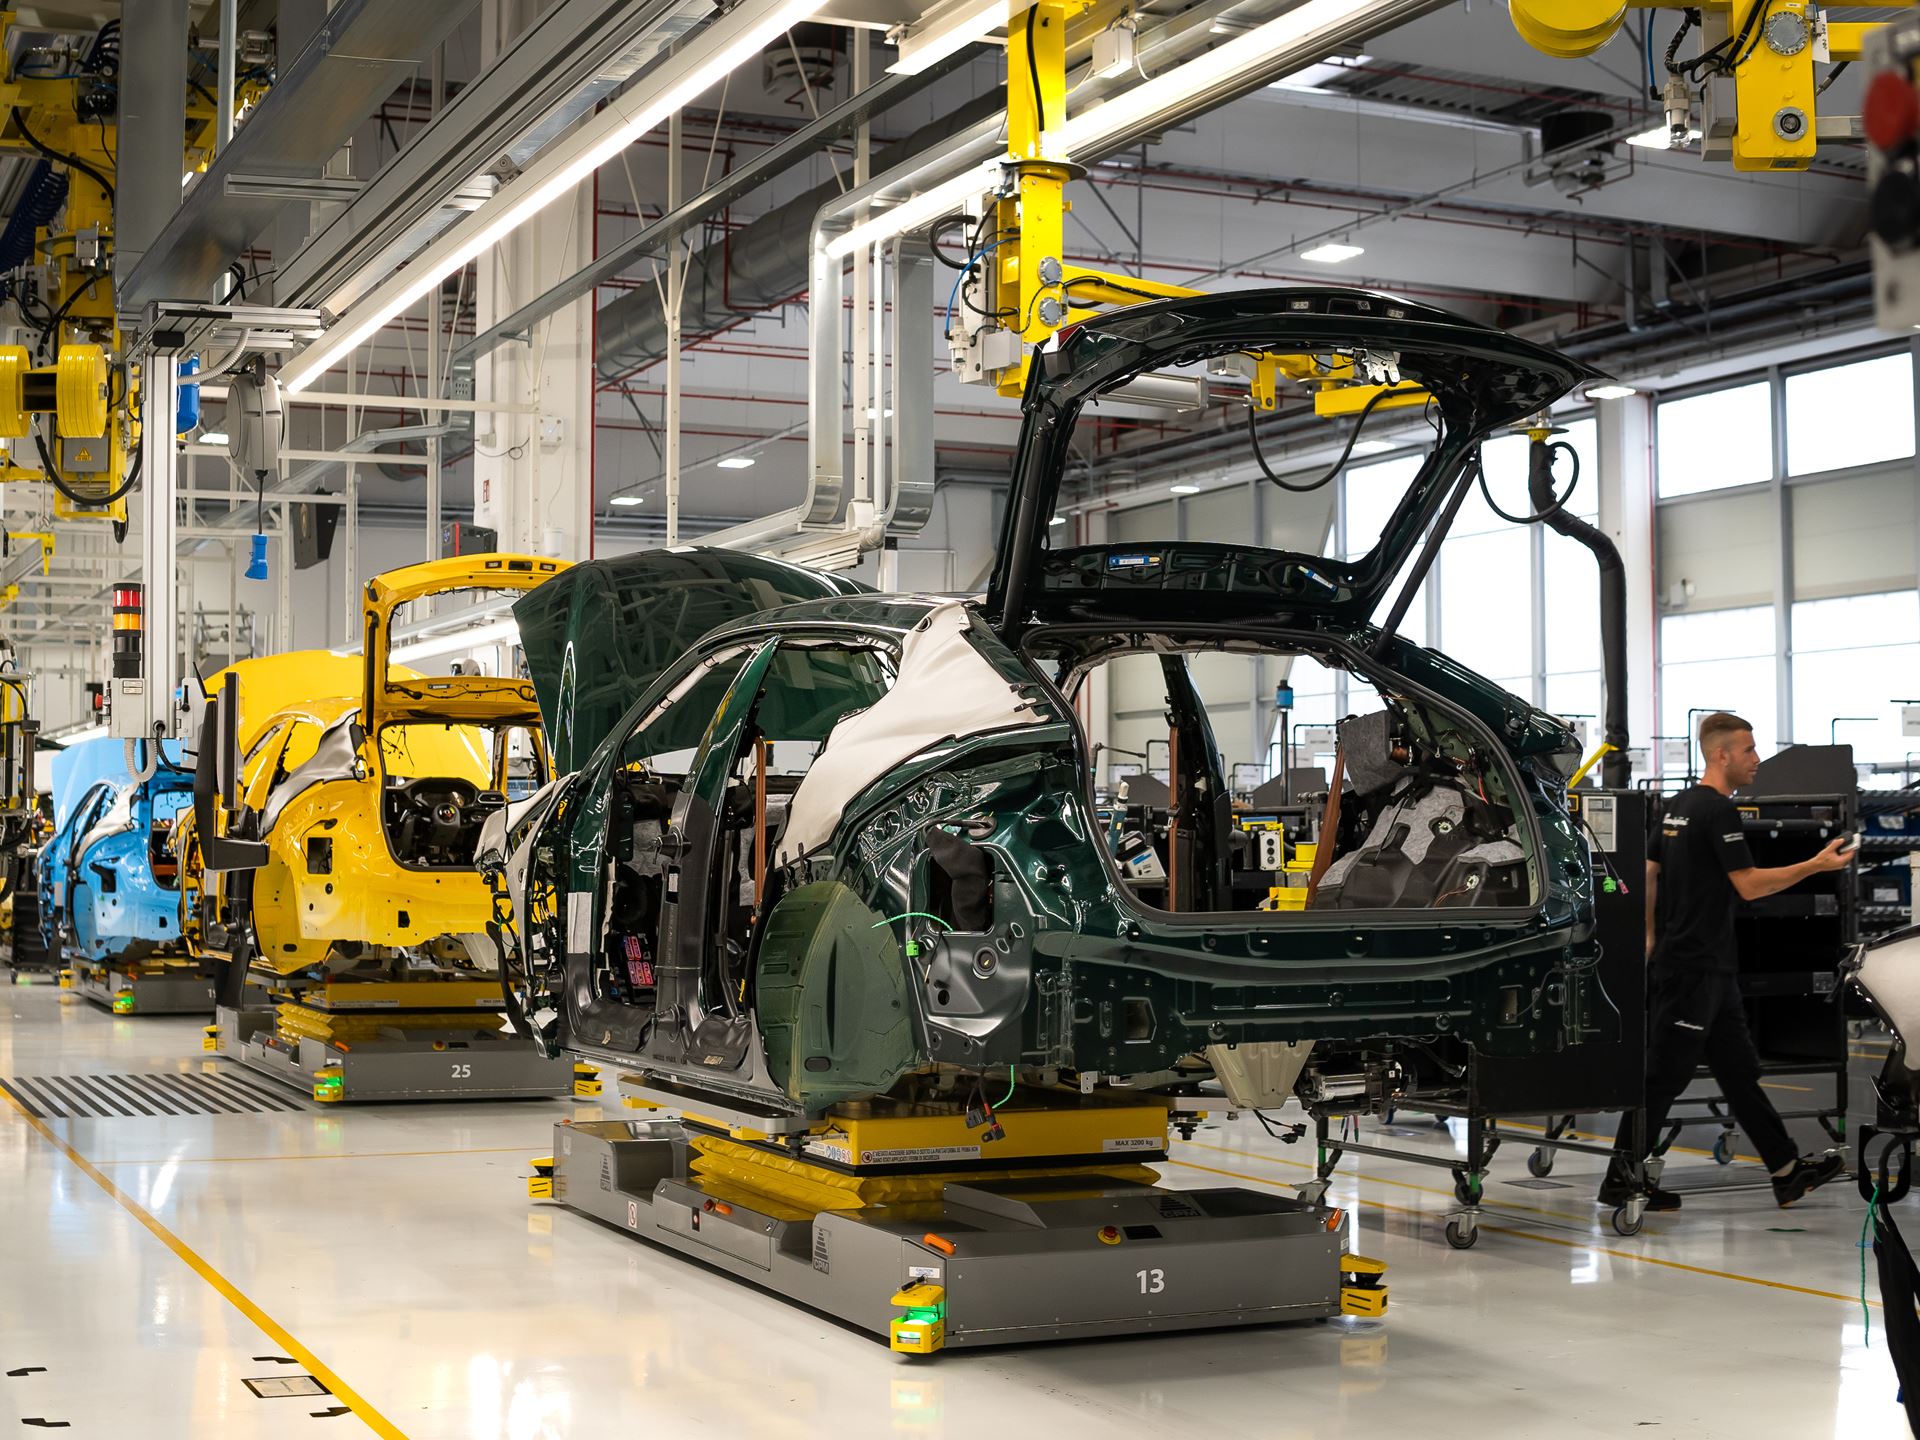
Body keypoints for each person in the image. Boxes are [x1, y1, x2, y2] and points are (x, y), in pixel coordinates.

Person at [1599, 711, 1854, 1211]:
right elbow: (1749, 886)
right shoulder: (1717, 811)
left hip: (1709, 969)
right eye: (1749, 750)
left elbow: (1648, 871)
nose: (1756, 759)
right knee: (1663, 1077)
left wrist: (1651, 933)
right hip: (1693, 971)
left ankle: (1786, 1172)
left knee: (1740, 1073)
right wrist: (1816, 864)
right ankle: (1620, 1179)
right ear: (1722, 755)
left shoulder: (1677, 805)